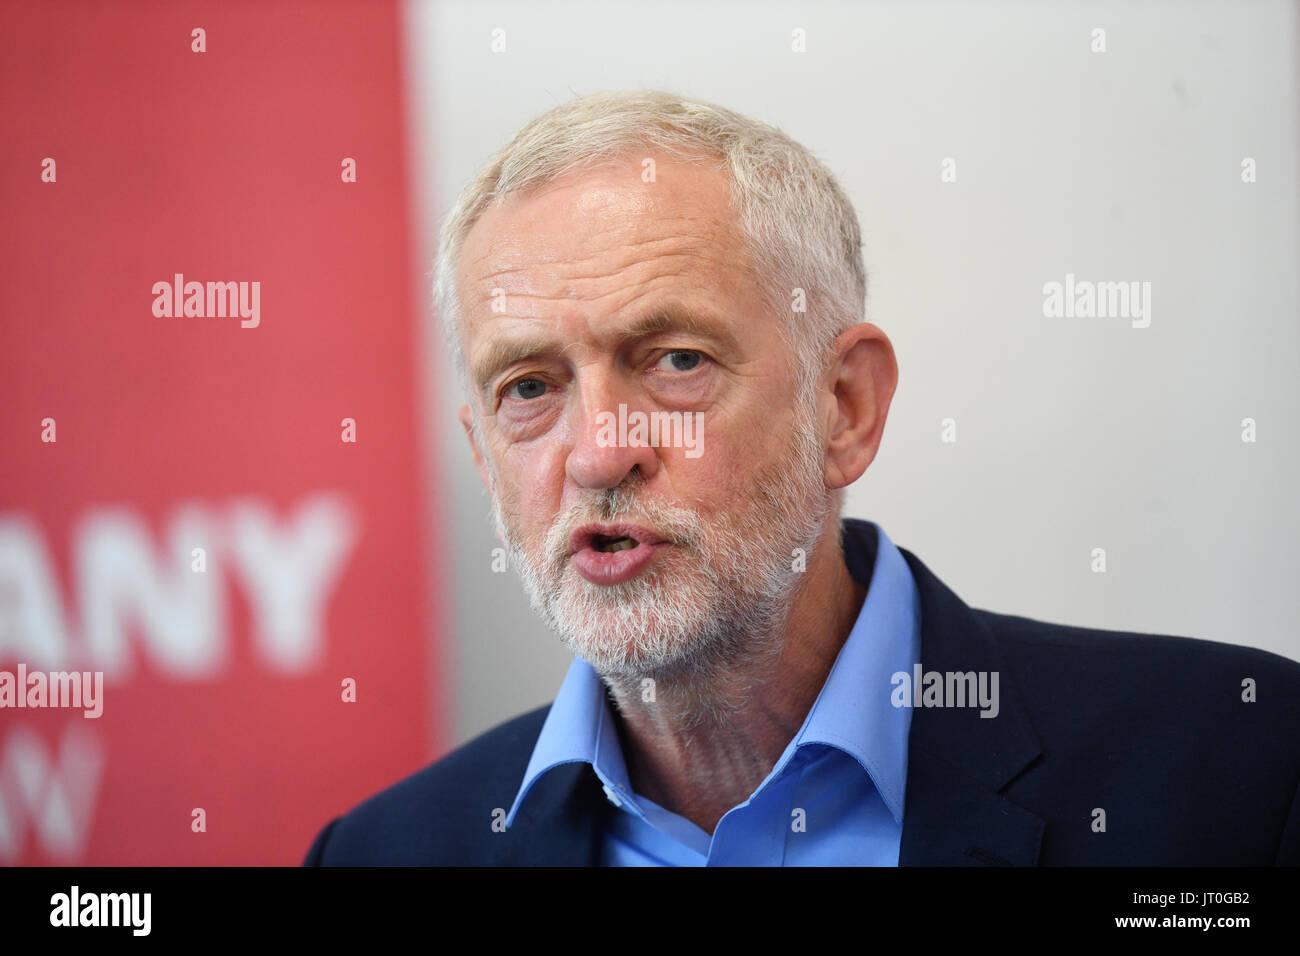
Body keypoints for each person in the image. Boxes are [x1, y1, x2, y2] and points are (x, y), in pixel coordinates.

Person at [304, 90, 1300, 866]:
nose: (601, 452)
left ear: (845, 406)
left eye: (675, 360)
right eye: (530, 386)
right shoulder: (386, 851)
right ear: (485, 454)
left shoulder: (1236, 768)